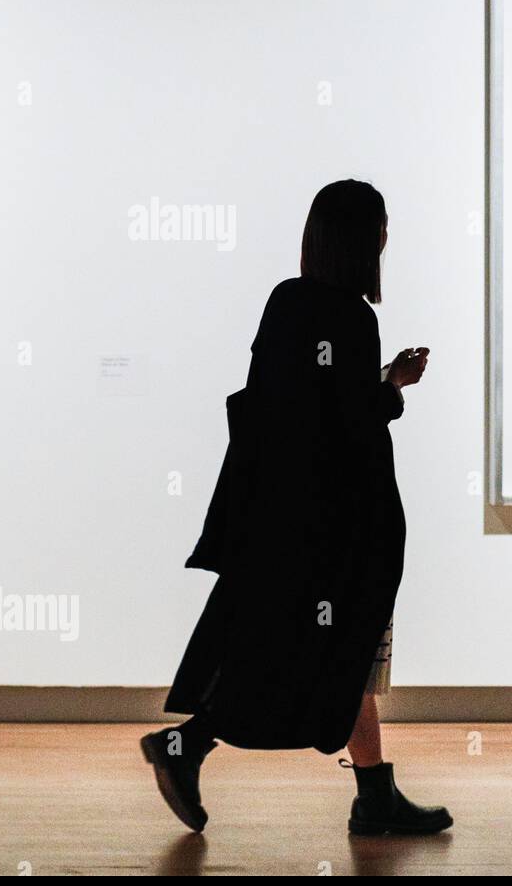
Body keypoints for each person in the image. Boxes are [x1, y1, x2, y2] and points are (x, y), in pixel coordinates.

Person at [140, 179, 451, 837]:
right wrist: (392, 389)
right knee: (316, 656)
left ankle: (373, 797)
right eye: (381, 226)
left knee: (333, 654)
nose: (387, 237)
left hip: (281, 518)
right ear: (362, 239)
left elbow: (296, 410)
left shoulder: (288, 303)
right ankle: (189, 744)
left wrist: (378, 386)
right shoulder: (350, 317)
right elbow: (350, 426)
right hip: (337, 527)